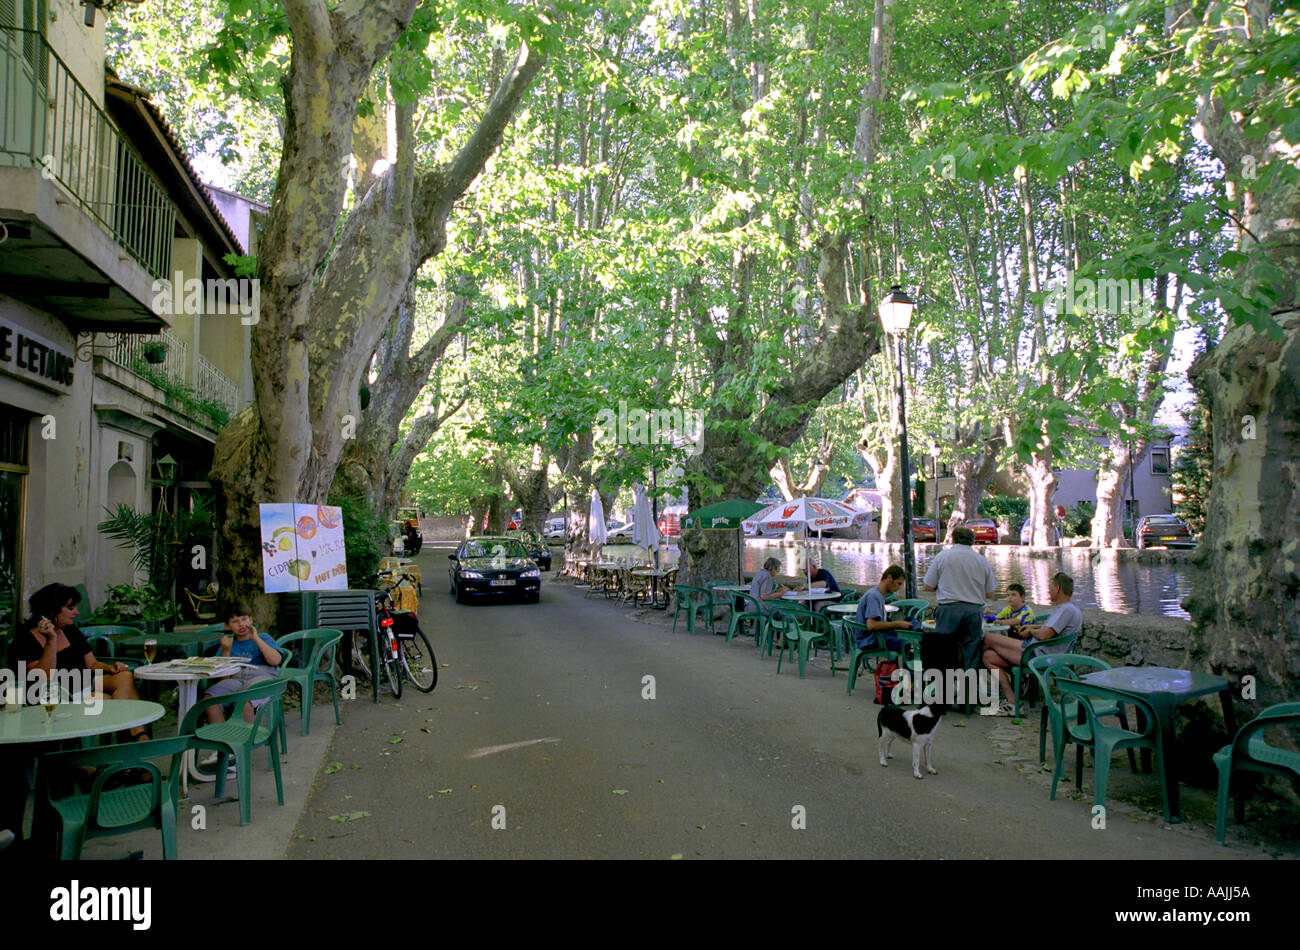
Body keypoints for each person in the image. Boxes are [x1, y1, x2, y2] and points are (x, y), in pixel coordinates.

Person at [8, 584, 147, 736]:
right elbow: (44, 678)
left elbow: (92, 664)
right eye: (71, 608)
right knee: (111, 701)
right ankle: (136, 736)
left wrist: (109, 668)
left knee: (125, 676)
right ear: (52, 610)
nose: (76, 612)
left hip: (84, 686)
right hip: (57, 697)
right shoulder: (24, 641)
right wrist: (51, 640)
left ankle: (136, 735)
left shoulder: (70, 630)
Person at [982, 572, 1084, 715]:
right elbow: (1050, 629)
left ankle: (970, 684)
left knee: (987, 639)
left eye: (1050, 587)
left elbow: (1044, 635)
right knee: (988, 657)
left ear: (1058, 588)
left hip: (1037, 654)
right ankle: (1012, 701)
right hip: (1038, 651)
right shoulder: (1069, 609)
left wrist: (1031, 631)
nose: (1049, 591)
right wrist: (1033, 627)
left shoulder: (1066, 610)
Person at [922, 526, 998, 703]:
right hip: (973, 611)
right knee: (971, 654)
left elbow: (928, 585)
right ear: (972, 541)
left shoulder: (943, 557)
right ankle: (968, 699)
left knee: (944, 653)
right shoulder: (981, 560)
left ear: (953, 538)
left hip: (948, 609)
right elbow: (990, 593)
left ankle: (943, 697)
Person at [202, 601, 284, 727]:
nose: (241, 624)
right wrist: (226, 650)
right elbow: (224, 678)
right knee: (209, 699)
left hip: (262, 676)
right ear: (227, 626)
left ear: (251, 620)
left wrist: (256, 639)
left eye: (244, 619)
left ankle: (244, 737)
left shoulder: (263, 637)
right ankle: (222, 735)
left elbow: (276, 660)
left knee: (246, 701)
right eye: (235, 621)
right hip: (236, 678)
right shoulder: (228, 643)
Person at [854, 565, 912, 654]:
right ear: (889, 578)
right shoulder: (874, 596)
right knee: (907, 644)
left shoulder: (878, 594)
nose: (899, 588)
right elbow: (871, 625)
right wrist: (897, 624)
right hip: (868, 640)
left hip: (874, 636)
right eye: (899, 583)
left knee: (907, 634)